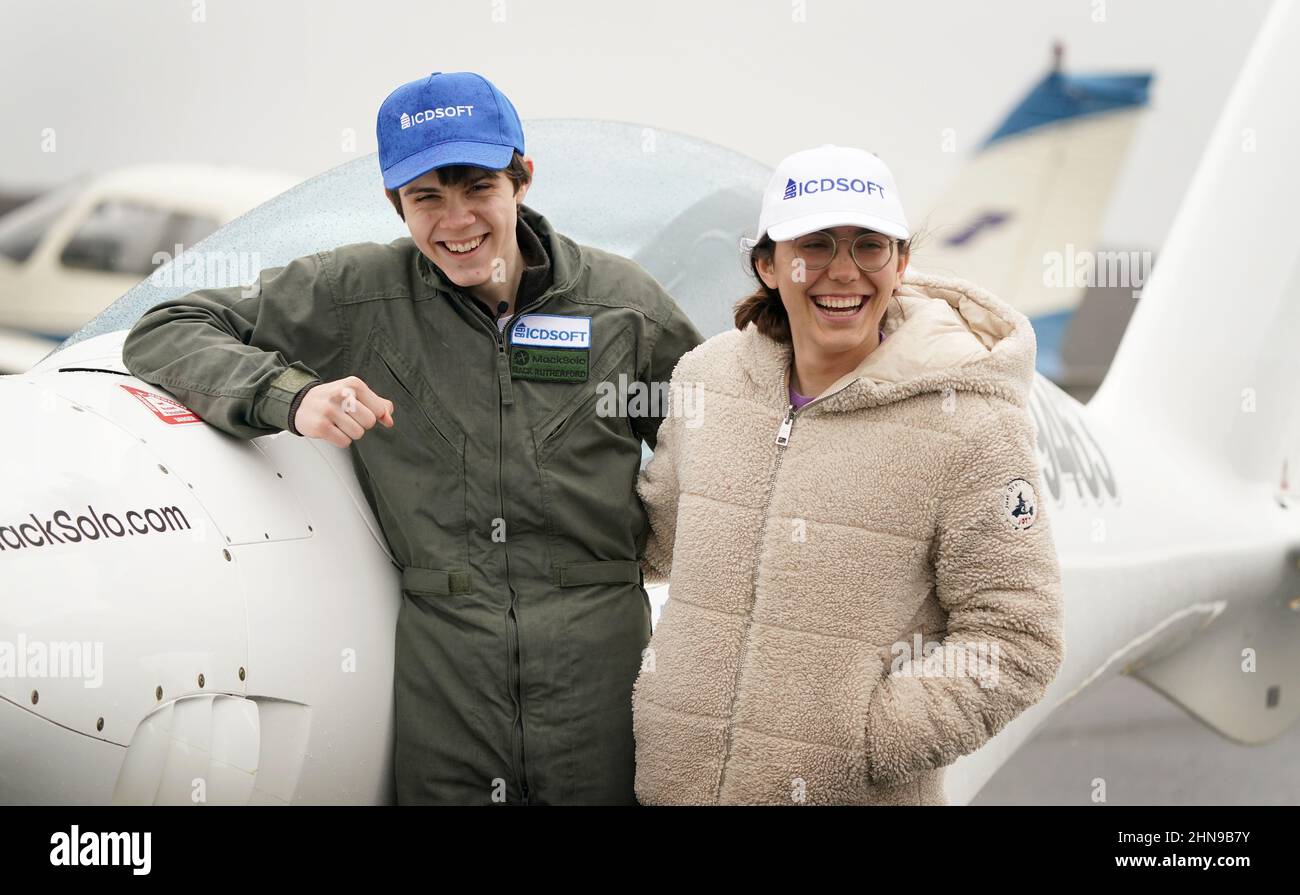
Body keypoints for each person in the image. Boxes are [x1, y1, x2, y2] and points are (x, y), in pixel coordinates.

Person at [122, 71, 703, 804]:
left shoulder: (622, 307)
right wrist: (290, 397)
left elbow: (725, 431)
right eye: (426, 196)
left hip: (604, 679)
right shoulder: (355, 296)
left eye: (477, 187)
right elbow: (167, 330)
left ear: (522, 180)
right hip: (447, 682)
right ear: (396, 202)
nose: (455, 220)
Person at [631, 144, 1065, 805]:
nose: (843, 272)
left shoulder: (972, 420)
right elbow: (650, 540)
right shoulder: (707, 379)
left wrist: (863, 741)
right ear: (768, 264)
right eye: (816, 245)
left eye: (868, 246)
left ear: (901, 264)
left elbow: (1017, 636)